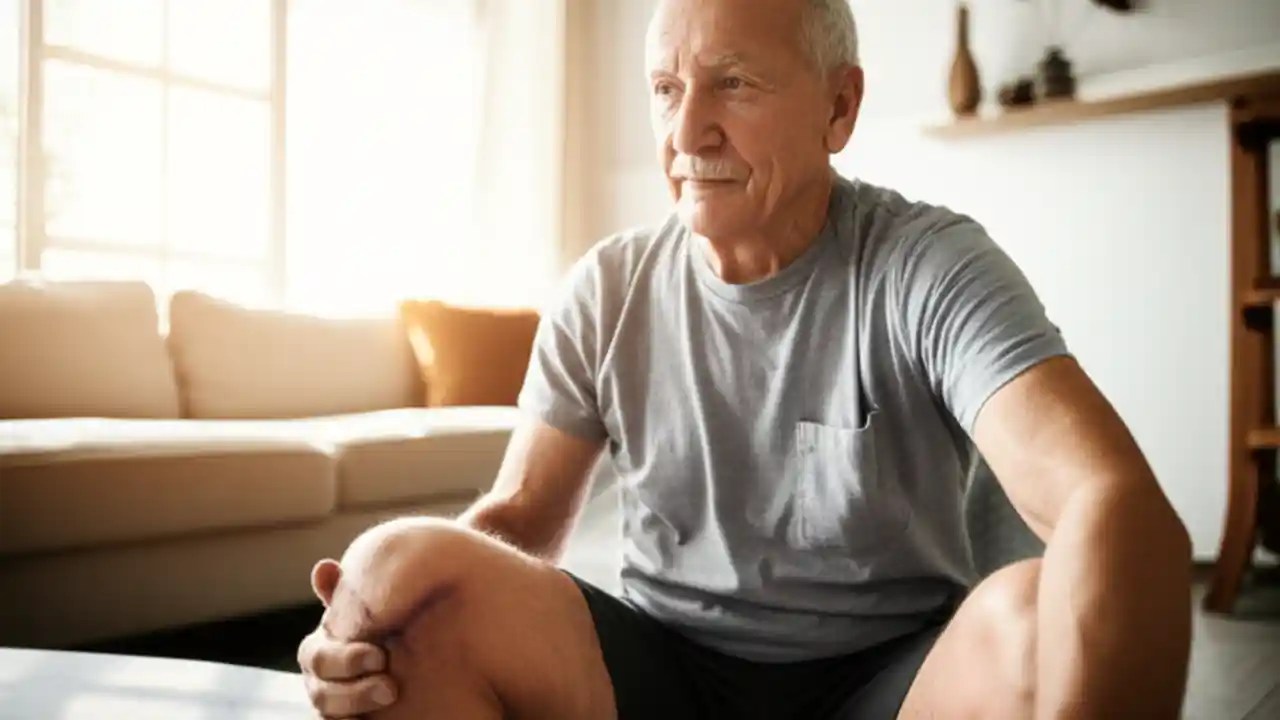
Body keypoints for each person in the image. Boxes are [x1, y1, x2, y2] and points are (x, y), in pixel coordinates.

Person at [297, 0, 1193, 717]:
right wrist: (365, 624)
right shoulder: (607, 286)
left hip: (892, 682)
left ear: (839, 107)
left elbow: (1106, 503)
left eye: (733, 84)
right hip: (659, 671)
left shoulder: (928, 265)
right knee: (397, 577)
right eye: (665, 88)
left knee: (1037, 619)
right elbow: (521, 518)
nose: (688, 132)